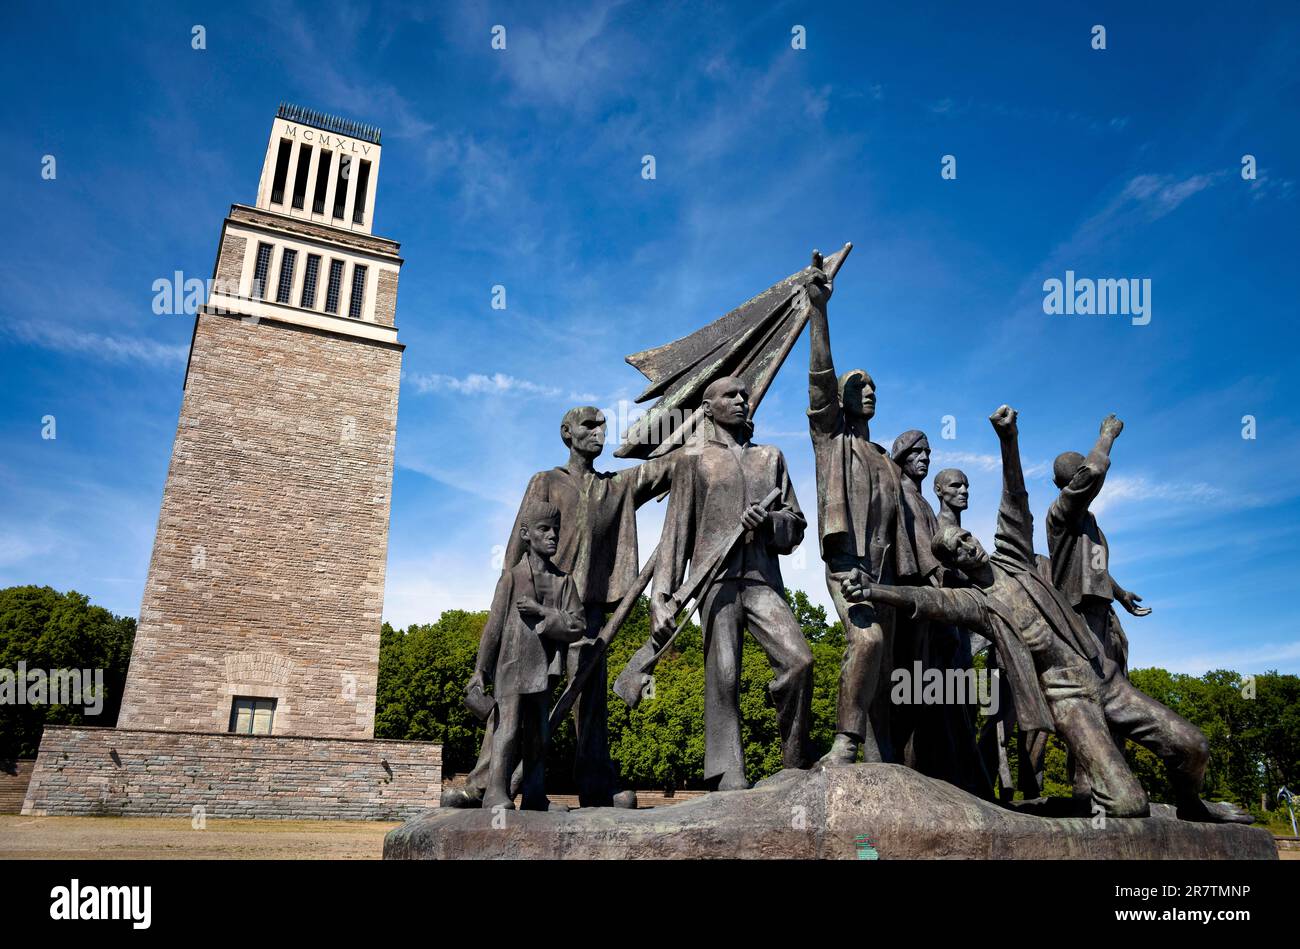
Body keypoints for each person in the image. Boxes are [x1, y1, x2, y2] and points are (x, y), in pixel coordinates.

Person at [838, 406, 1250, 822]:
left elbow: (1014, 498)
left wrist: (1008, 440)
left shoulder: (1013, 557)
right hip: (1068, 697)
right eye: (958, 549)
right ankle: (1062, 822)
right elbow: (926, 601)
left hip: (1103, 676)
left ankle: (1192, 804)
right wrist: (872, 589)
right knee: (1126, 803)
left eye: (966, 538)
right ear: (957, 563)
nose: (968, 546)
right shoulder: (978, 603)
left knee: (1193, 745)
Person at [445, 406, 674, 809]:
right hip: (535, 612)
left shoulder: (613, 486)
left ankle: (596, 785)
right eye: (589, 425)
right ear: (567, 433)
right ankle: (483, 785)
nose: (599, 432)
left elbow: (662, 470)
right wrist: (515, 603)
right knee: (515, 703)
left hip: (586, 615)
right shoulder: (547, 481)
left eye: (603, 425)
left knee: (590, 701)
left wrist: (701, 429)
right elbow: (515, 554)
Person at [650, 375, 813, 790]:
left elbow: (796, 526)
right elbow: (676, 534)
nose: (742, 400)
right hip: (714, 582)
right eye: (731, 395)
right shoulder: (693, 459)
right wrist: (661, 598)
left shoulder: (770, 457)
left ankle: (794, 767)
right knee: (724, 677)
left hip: (762, 581)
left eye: (745, 394)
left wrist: (772, 523)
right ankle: (728, 776)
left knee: (799, 661)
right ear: (708, 408)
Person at [806, 270, 919, 764]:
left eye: (874, 387)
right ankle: (844, 742)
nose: (870, 392)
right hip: (848, 568)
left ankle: (882, 757)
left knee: (888, 669)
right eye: (860, 386)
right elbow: (819, 383)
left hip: (887, 576)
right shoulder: (833, 441)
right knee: (867, 641)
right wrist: (819, 311)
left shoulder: (884, 459)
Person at [480, 501, 586, 812]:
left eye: (556, 530)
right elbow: (493, 629)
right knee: (508, 730)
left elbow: (577, 625)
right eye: (545, 529)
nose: (553, 535)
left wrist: (543, 612)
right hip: (512, 667)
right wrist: (480, 670)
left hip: (544, 669)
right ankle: (494, 793)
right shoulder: (511, 578)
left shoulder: (563, 581)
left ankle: (536, 795)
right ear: (526, 534)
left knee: (539, 737)